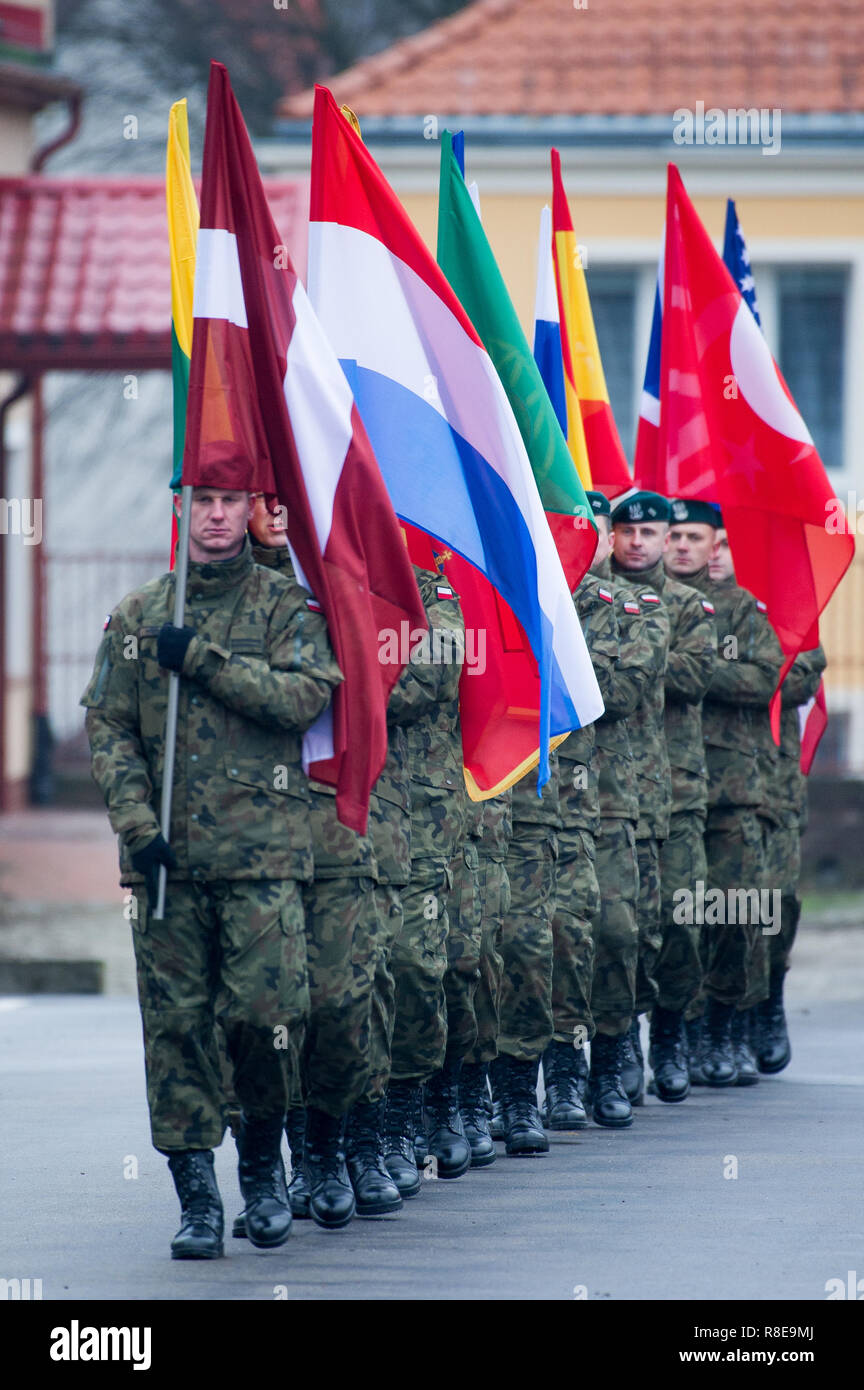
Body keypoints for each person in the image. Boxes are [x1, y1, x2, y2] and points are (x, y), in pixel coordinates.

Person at [82, 482, 342, 1259]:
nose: (218, 515)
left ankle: (262, 1171)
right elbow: (110, 727)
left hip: (263, 859)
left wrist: (202, 659)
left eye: (231, 500)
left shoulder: (284, 607)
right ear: (180, 512)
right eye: (202, 501)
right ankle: (197, 1197)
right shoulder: (139, 615)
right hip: (167, 868)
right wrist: (138, 827)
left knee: (266, 1017)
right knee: (176, 1030)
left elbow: (303, 698)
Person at [246, 495, 401, 1229]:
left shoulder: (350, 586)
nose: (274, 513)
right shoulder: (211, 597)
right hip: (247, 841)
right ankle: (265, 1173)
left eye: (287, 499)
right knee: (260, 1013)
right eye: (260, 500)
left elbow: (400, 683)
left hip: (337, 830)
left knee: (343, 1004)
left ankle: (334, 1147)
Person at [382, 568, 473, 1188]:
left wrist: (331, 671)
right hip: (313, 816)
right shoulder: (303, 577)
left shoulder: (433, 590)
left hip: (417, 815)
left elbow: (426, 679)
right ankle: (321, 1146)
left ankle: (414, 1107)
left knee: (419, 967)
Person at [686, 525, 783, 1085]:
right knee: (673, 920)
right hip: (665, 789)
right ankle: (684, 1032)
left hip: (731, 788)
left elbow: (767, 678)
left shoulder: (744, 609)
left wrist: (698, 668)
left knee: (734, 911)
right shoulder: (661, 606)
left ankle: (727, 1024)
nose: (684, 547)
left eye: (706, 540)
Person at [543, 496, 619, 1129]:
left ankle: (575, 1074)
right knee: (504, 951)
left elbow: (619, 686)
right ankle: (503, 1088)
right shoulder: (500, 596)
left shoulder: (616, 609)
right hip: (498, 812)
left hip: (582, 807)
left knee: (586, 938)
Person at [585, 495, 659, 1126]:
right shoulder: (512, 601)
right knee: (537, 944)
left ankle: (610, 1055)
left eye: (596, 530)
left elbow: (620, 692)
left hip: (606, 802)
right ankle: (549, 1075)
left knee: (615, 933)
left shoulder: (634, 612)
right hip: (527, 803)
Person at [645, 498, 718, 1101]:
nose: (646, 543)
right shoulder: (596, 603)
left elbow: (695, 676)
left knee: (680, 920)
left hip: (678, 791)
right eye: (632, 531)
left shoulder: (690, 606)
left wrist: (630, 654)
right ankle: (612, 1044)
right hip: (611, 798)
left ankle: (670, 1034)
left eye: (656, 532)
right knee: (613, 928)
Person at [609, 492, 672, 1104]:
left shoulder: (656, 608)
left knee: (637, 930)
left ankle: (631, 1030)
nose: (633, 542)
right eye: (622, 530)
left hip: (642, 792)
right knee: (582, 934)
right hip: (579, 797)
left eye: (646, 531)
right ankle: (597, 1048)